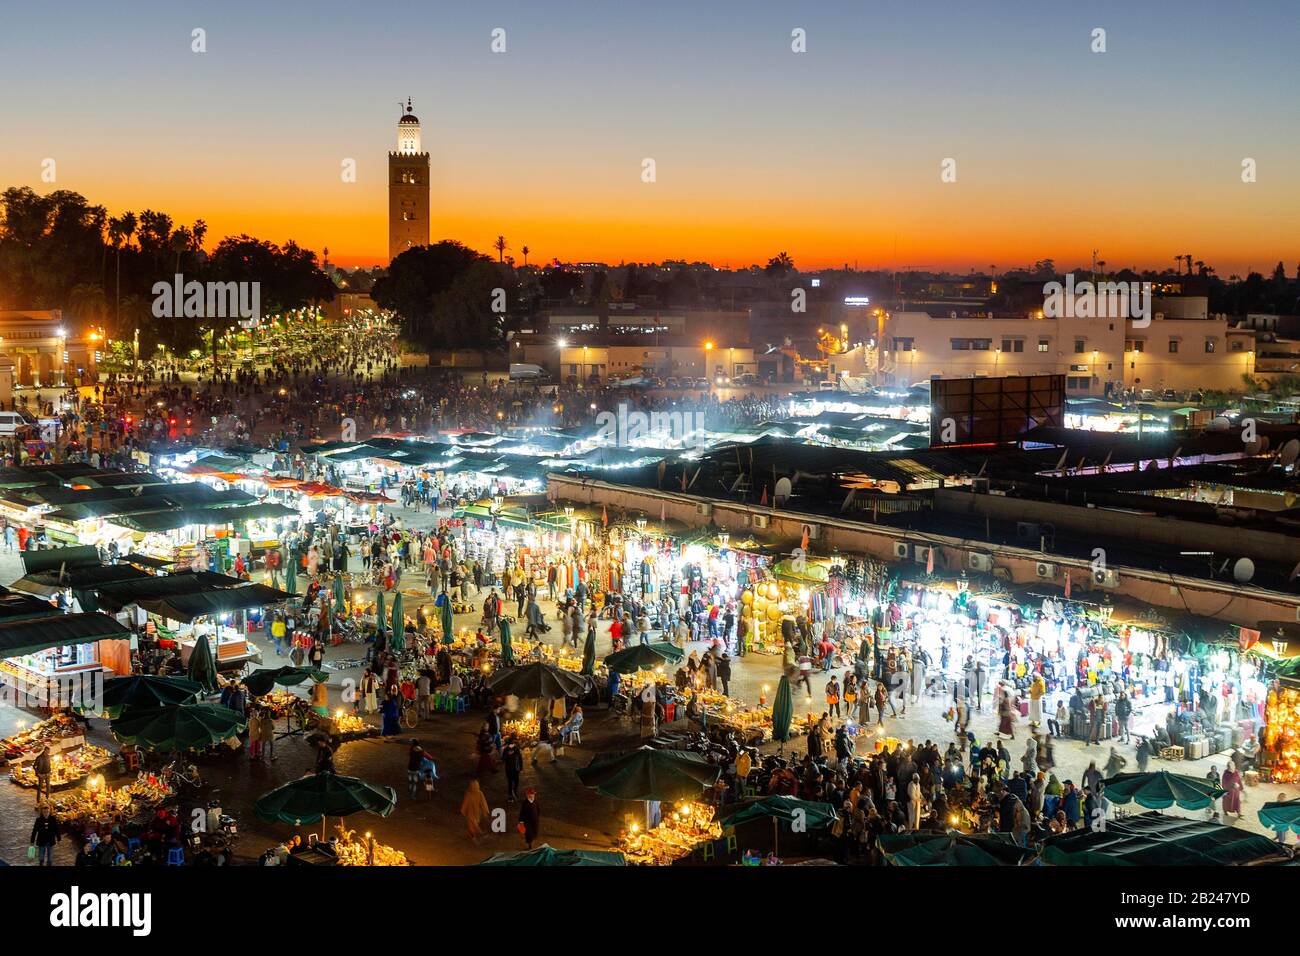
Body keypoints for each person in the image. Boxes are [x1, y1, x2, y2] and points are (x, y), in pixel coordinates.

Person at [460, 780, 490, 844]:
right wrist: (463, 811)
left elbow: (483, 803)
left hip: (477, 813)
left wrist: (485, 811)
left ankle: (479, 835)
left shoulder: (480, 794)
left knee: (475, 824)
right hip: (470, 813)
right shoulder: (468, 794)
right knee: (472, 825)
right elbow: (465, 803)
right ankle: (477, 836)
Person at [502, 737, 524, 803]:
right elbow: (503, 758)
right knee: (510, 782)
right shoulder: (506, 750)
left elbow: (520, 759)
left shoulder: (516, 749)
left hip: (515, 768)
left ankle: (514, 791)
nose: (511, 746)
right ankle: (510, 795)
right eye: (510, 745)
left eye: (512, 744)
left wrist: (521, 768)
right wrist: (508, 755)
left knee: (516, 781)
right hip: (509, 769)